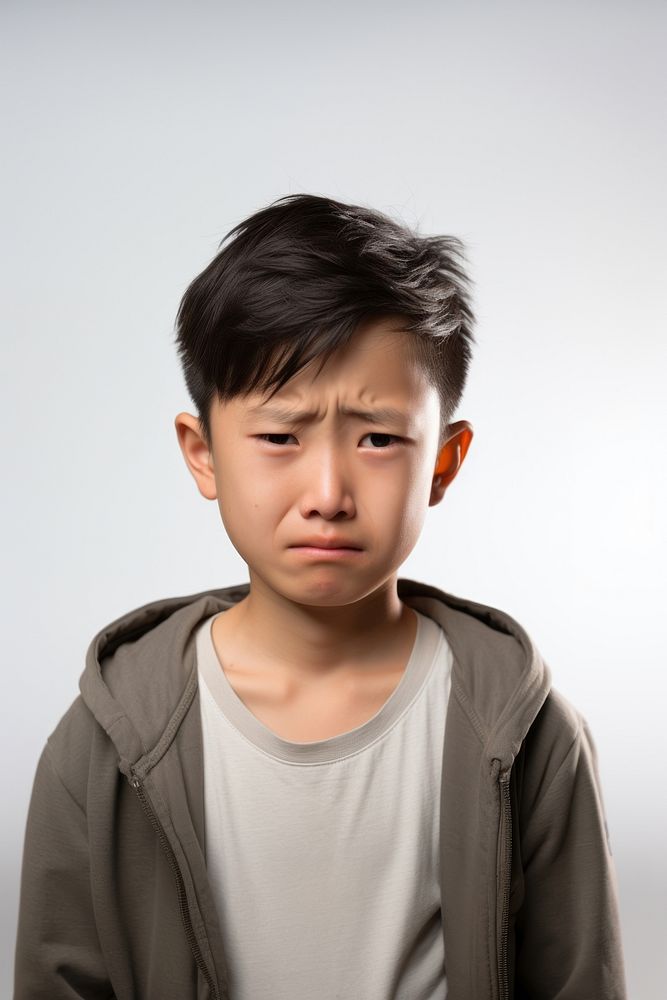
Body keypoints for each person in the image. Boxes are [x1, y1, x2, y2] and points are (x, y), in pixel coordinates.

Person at [14, 193, 628, 1000]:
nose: (328, 492)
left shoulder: (527, 734)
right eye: (279, 437)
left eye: (378, 438)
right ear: (202, 455)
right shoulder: (106, 743)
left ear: (443, 461)